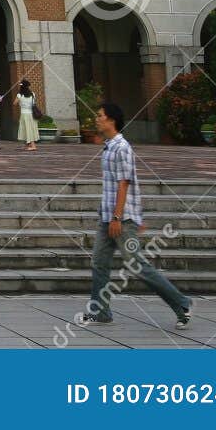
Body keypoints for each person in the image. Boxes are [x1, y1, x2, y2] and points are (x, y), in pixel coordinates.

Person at [74, 101, 192, 330]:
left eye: (99, 115)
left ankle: (182, 304)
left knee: (136, 264)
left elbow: (124, 183)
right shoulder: (108, 146)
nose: (96, 119)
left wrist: (120, 218)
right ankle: (100, 312)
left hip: (120, 219)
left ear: (111, 120)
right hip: (107, 217)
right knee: (99, 262)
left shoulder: (122, 147)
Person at [15, 79, 40, 151]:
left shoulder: (20, 95)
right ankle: (28, 145)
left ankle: (33, 146)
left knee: (27, 129)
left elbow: (14, 103)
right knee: (30, 129)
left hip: (24, 114)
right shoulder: (33, 94)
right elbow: (34, 102)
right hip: (31, 114)